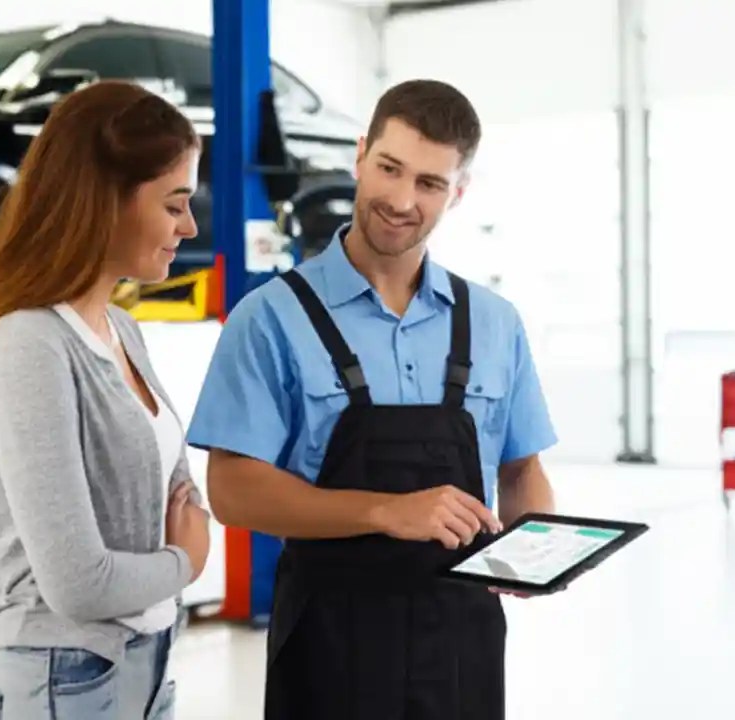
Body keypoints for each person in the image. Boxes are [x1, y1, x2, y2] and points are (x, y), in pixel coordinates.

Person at [186, 79, 558, 720]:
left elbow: (522, 468)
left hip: (462, 650)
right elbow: (233, 489)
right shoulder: (270, 319)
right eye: (389, 168)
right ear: (360, 156)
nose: (402, 200)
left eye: (430, 184)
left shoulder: (496, 323)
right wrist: (388, 511)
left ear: (458, 193)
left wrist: (534, 550)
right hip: (331, 651)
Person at [0, 81, 211, 720]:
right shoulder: (28, 346)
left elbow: (178, 492)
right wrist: (185, 564)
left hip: (144, 671)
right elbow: (79, 583)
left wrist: (175, 548)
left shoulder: (121, 331)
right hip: (57, 682)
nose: (190, 225)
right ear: (105, 203)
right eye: (174, 204)